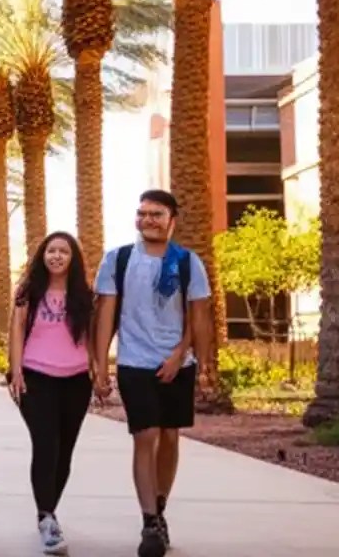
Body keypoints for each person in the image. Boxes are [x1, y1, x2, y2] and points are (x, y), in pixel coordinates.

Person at [92, 189, 213, 557]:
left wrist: (186, 357)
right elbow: (105, 315)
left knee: (170, 437)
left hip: (178, 364)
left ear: (172, 219)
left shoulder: (187, 262)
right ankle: (149, 522)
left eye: (156, 214)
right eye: (142, 213)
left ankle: (159, 508)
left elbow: (198, 316)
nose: (148, 220)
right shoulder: (118, 260)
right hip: (134, 363)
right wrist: (101, 366)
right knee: (145, 436)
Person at [8, 231, 96, 555]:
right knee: (46, 444)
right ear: (42, 256)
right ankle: (46, 517)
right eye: (51, 251)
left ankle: (48, 511)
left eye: (63, 251)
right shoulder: (28, 291)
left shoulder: (85, 296)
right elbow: (17, 329)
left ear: (73, 259)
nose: (56, 256)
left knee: (65, 450)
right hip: (36, 377)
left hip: (76, 380)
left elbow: (93, 336)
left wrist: (98, 371)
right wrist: (16, 370)